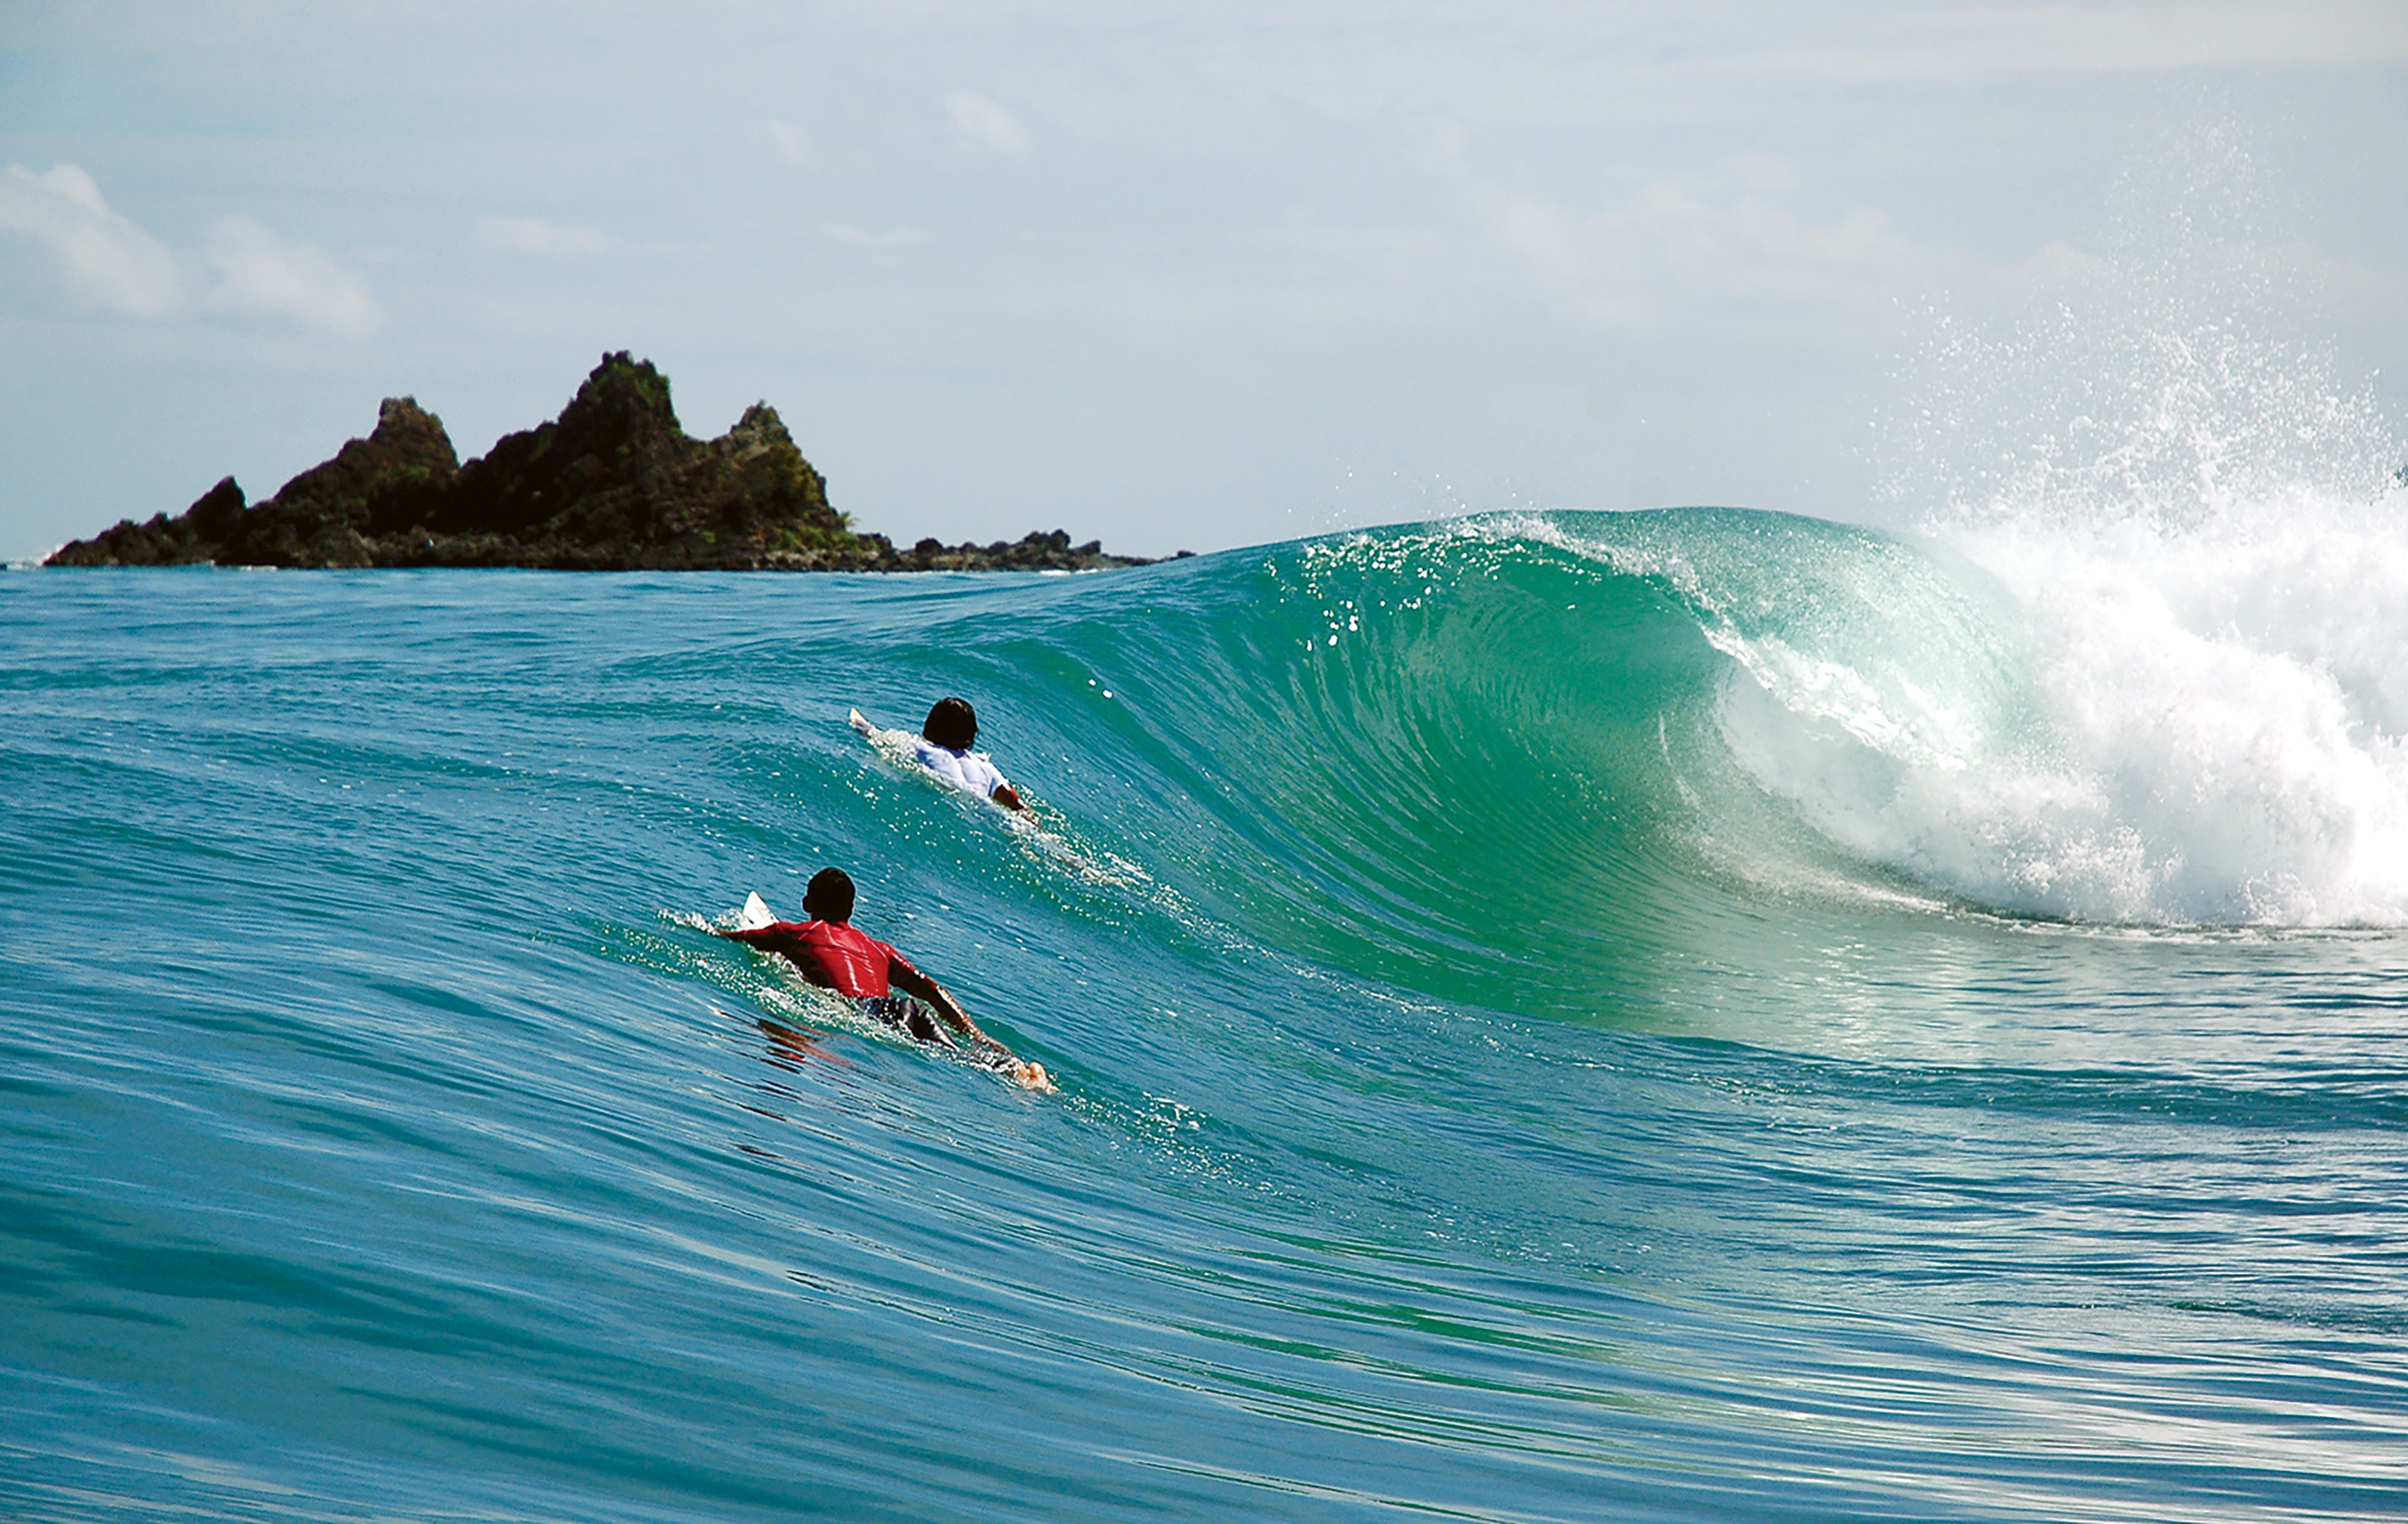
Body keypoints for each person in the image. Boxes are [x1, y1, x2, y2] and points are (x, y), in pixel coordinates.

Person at [719, 867, 1054, 1091]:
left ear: (808, 903)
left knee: (947, 1058)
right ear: (850, 910)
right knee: (960, 1055)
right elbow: (933, 991)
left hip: (867, 1011)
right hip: (907, 1008)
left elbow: (730, 937)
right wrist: (978, 1034)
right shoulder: (879, 949)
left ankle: (1017, 1076)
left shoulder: (796, 933)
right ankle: (1015, 1069)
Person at [913, 696, 1025, 811]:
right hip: (986, 814)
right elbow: (1018, 805)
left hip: (951, 806)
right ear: (972, 733)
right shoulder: (987, 768)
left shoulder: (921, 748)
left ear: (930, 726)